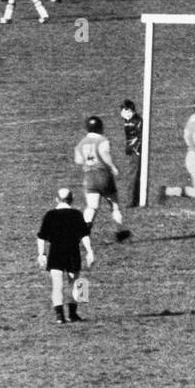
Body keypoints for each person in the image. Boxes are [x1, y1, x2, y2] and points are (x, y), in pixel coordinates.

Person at [36, 189, 94, 324]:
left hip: (56, 253)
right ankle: (73, 314)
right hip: (73, 253)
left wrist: (41, 253)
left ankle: (59, 316)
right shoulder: (76, 214)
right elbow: (84, 235)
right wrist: (90, 251)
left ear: (57, 199)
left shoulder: (50, 215)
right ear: (71, 199)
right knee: (77, 283)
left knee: (57, 285)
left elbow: (41, 237)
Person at [74, 116, 131, 242]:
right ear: (100, 127)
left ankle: (84, 228)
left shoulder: (81, 143)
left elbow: (78, 160)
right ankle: (120, 231)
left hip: (89, 176)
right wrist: (113, 166)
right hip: (103, 175)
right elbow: (105, 153)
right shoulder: (102, 140)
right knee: (114, 205)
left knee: (92, 206)